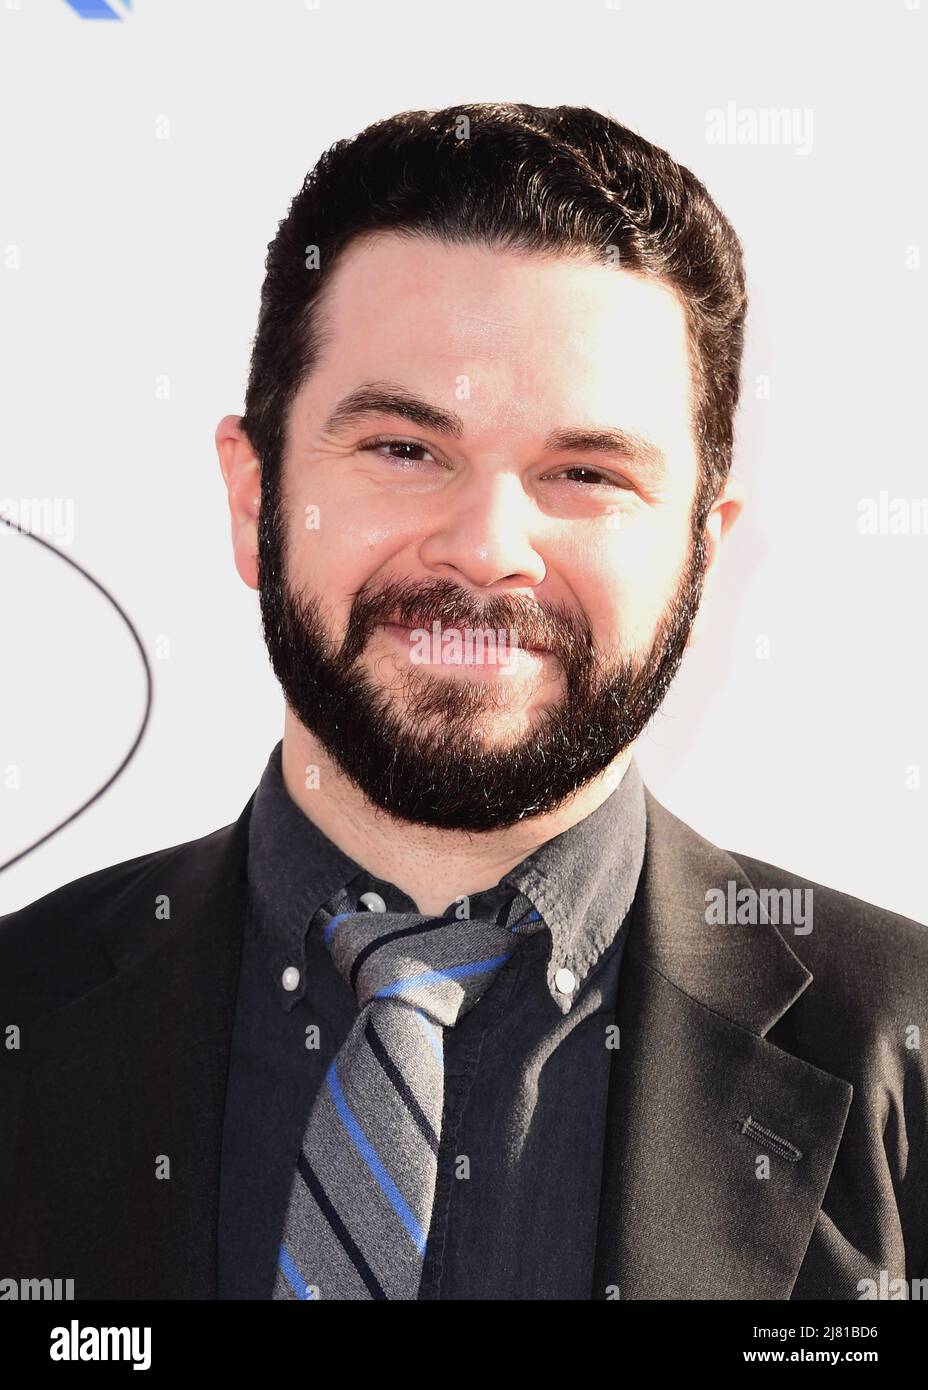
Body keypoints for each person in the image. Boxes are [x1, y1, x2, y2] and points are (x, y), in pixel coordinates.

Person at [1, 102, 925, 1302]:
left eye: (585, 473)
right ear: (253, 496)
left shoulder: (901, 1059)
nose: (487, 548)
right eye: (402, 448)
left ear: (704, 550)